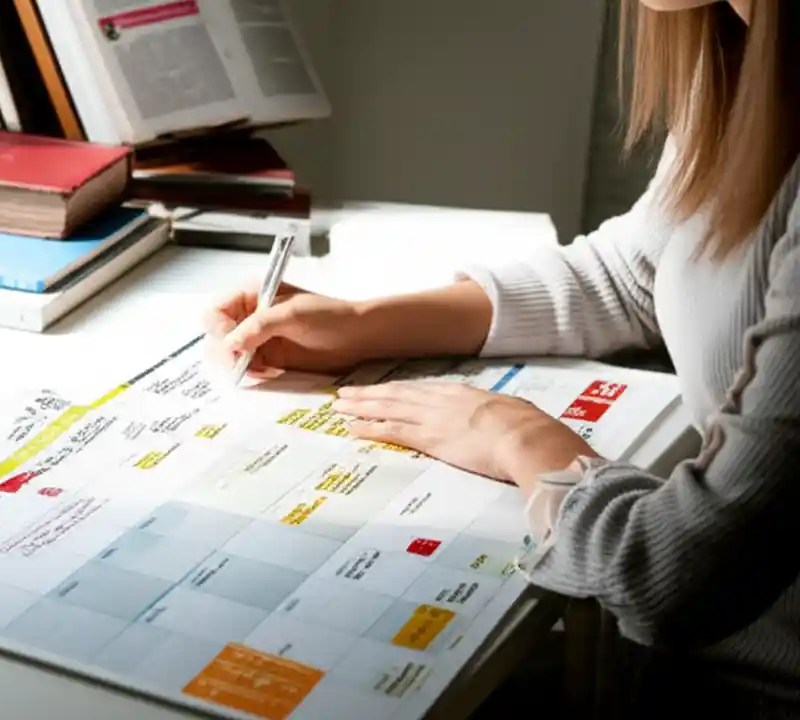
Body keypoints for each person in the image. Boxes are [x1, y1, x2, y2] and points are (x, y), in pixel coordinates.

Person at [205, 0, 798, 716]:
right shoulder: (741, 46)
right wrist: (367, 325)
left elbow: (667, 577)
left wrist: (519, 438)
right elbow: (635, 271)